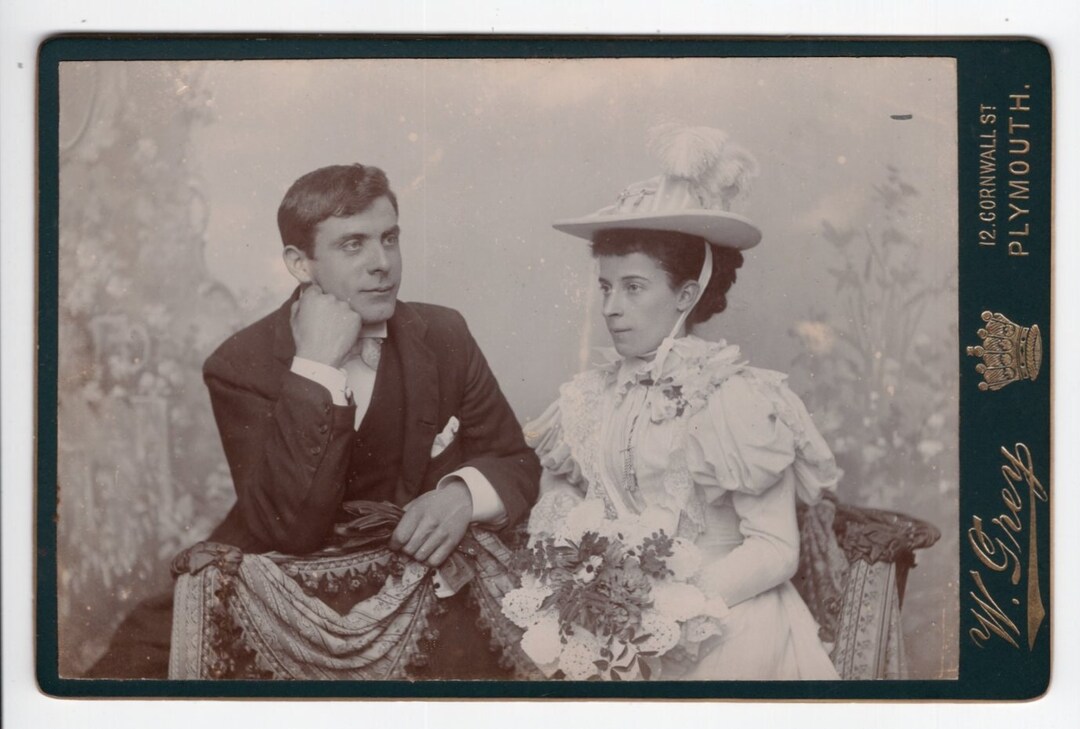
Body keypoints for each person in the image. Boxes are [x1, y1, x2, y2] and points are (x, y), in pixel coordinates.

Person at [88, 163, 540, 679]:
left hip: (411, 584)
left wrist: (462, 494)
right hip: (281, 576)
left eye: (389, 239)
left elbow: (515, 460)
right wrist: (316, 366)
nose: (382, 264)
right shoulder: (240, 364)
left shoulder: (444, 334)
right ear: (300, 264)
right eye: (353, 245)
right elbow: (289, 529)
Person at [524, 126, 840, 679]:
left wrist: (664, 606)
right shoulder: (590, 396)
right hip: (614, 628)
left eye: (633, 287)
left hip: (729, 619)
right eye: (605, 287)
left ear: (686, 295)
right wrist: (576, 561)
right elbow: (562, 486)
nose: (611, 308)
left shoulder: (734, 397)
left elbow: (774, 548)